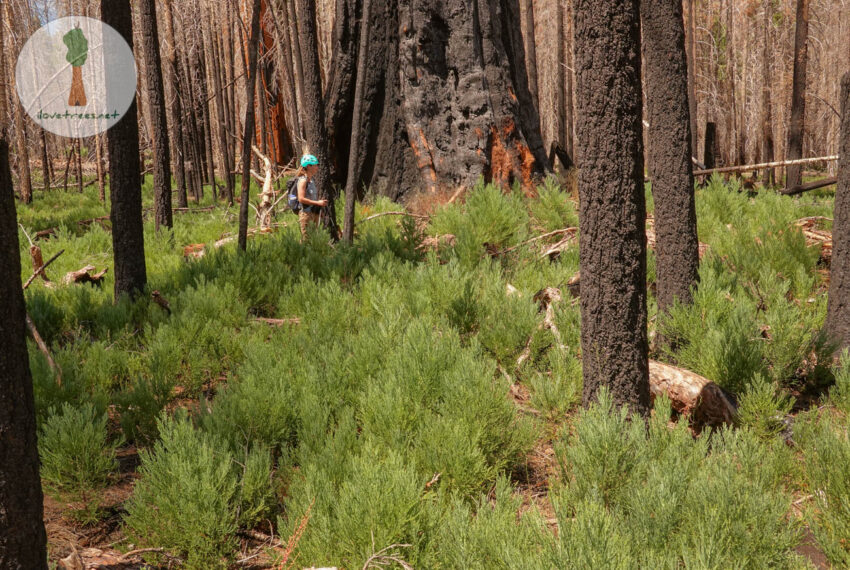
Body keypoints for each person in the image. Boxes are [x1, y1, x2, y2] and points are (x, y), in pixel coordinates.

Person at [296, 154, 328, 240]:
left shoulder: (312, 180)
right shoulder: (303, 181)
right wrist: (318, 203)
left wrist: (318, 207)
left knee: (314, 239)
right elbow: (301, 198)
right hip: (306, 214)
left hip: (314, 213)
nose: (317, 167)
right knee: (306, 240)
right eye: (316, 165)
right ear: (309, 166)